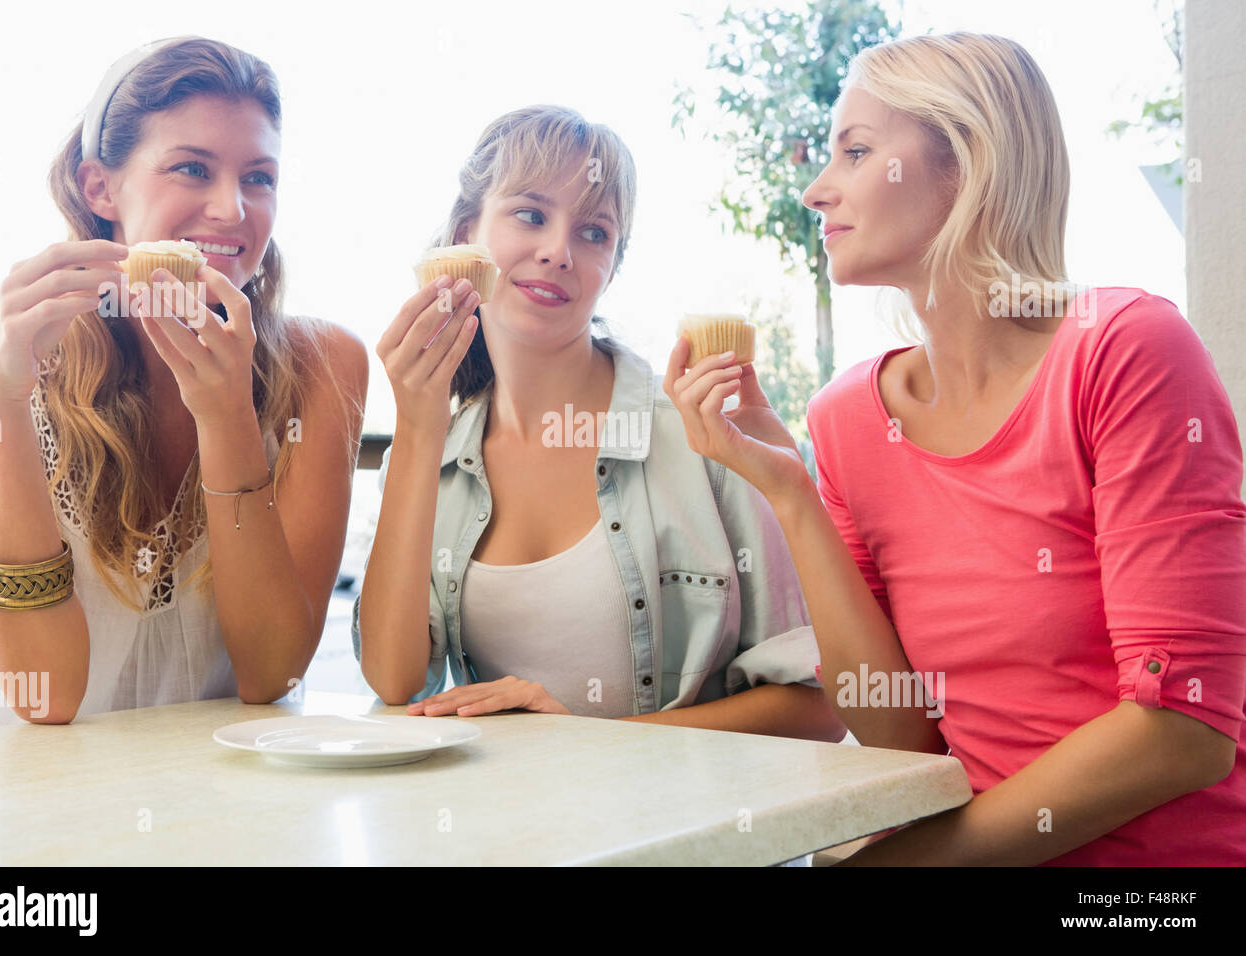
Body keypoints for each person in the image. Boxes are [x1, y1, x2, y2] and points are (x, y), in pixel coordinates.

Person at [665, 32, 1245, 864]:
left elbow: (1184, 732)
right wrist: (789, 491)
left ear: (968, 160)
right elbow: (899, 727)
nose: (815, 191)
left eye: (857, 151)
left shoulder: (1123, 350)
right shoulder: (846, 419)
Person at [354, 106, 843, 740]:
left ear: (612, 265)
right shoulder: (430, 455)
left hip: (695, 835)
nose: (558, 251)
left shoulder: (704, 437)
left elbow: (816, 710)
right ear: (467, 232)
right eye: (531, 215)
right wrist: (417, 432)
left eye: (593, 233)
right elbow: (396, 683)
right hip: (518, 833)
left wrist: (593, 740)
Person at [0, 37, 368, 727]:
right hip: (40, 808)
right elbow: (40, 696)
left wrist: (227, 415)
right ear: (99, 188)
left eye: (259, 177)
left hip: (229, 805)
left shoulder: (323, 367)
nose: (232, 209)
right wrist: (5, 401)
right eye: (192, 169)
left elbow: (271, 672)